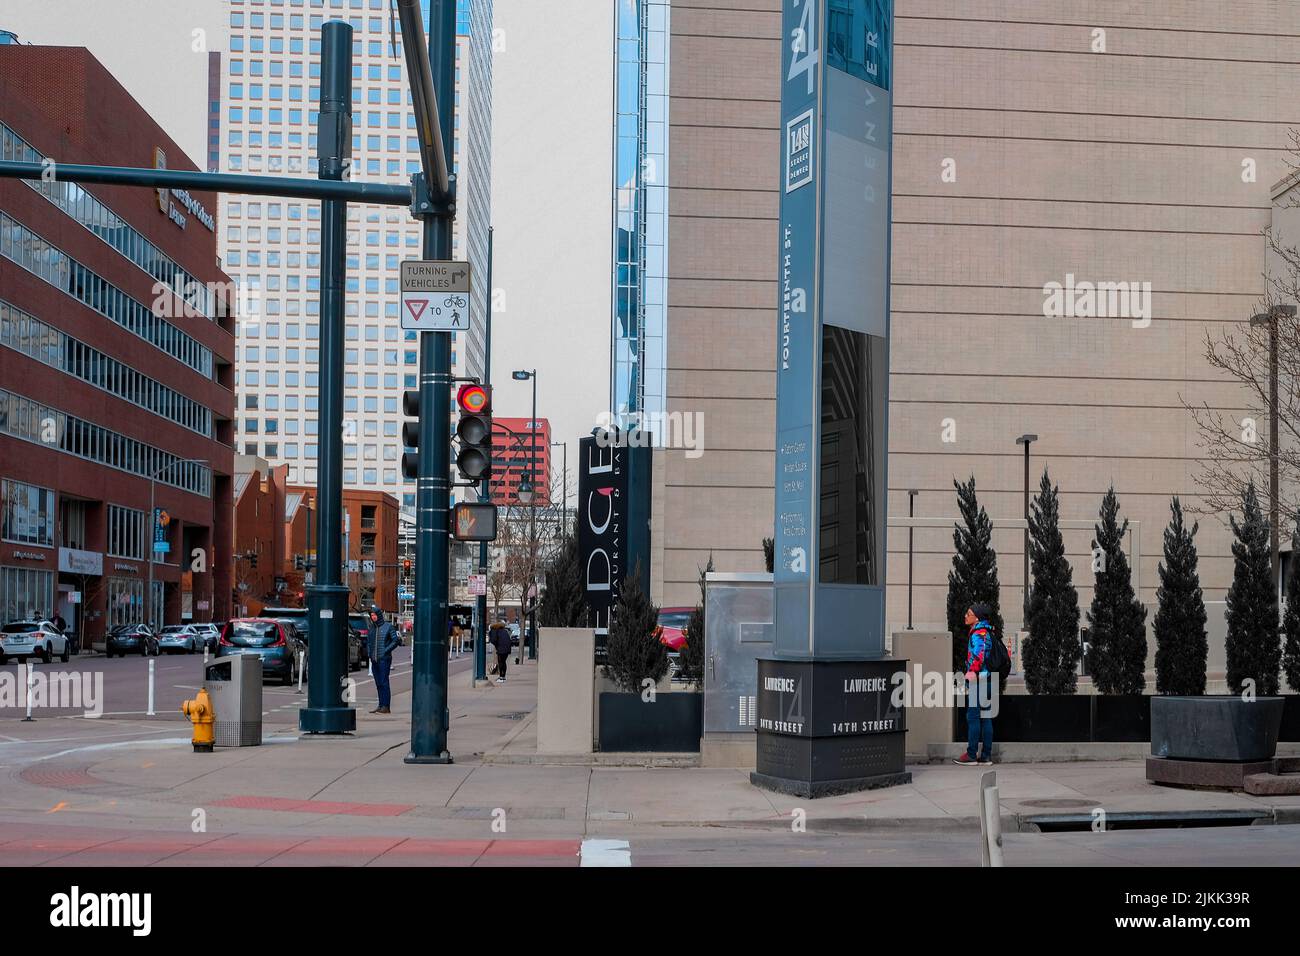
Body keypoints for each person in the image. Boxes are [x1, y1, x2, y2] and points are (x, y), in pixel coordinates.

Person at [955, 602, 996, 766]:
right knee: (986, 717)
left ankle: (971, 754)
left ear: (977, 617)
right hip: (987, 679)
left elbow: (979, 654)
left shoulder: (978, 634)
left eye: (969, 613)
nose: (965, 615)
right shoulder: (988, 632)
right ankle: (986, 755)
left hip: (978, 680)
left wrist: (972, 671)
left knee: (973, 716)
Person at [367, 604, 400, 714]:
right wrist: (369, 654)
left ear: (379, 615)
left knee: (384, 682)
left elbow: (395, 641)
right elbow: (369, 643)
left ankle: (386, 706)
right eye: (372, 615)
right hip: (375, 659)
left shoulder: (388, 626)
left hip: (384, 659)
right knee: (378, 683)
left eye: (374, 615)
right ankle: (381, 705)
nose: (373, 617)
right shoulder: (372, 628)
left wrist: (386, 650)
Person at [490, 619, 512, 684]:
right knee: (503, 662)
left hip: (501, 648)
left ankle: (501, 677)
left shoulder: (494, 630)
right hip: (507, 648)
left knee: (500, 662)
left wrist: (496, 645)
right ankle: (503, 676)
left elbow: (493, 640)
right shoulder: (504, 631)